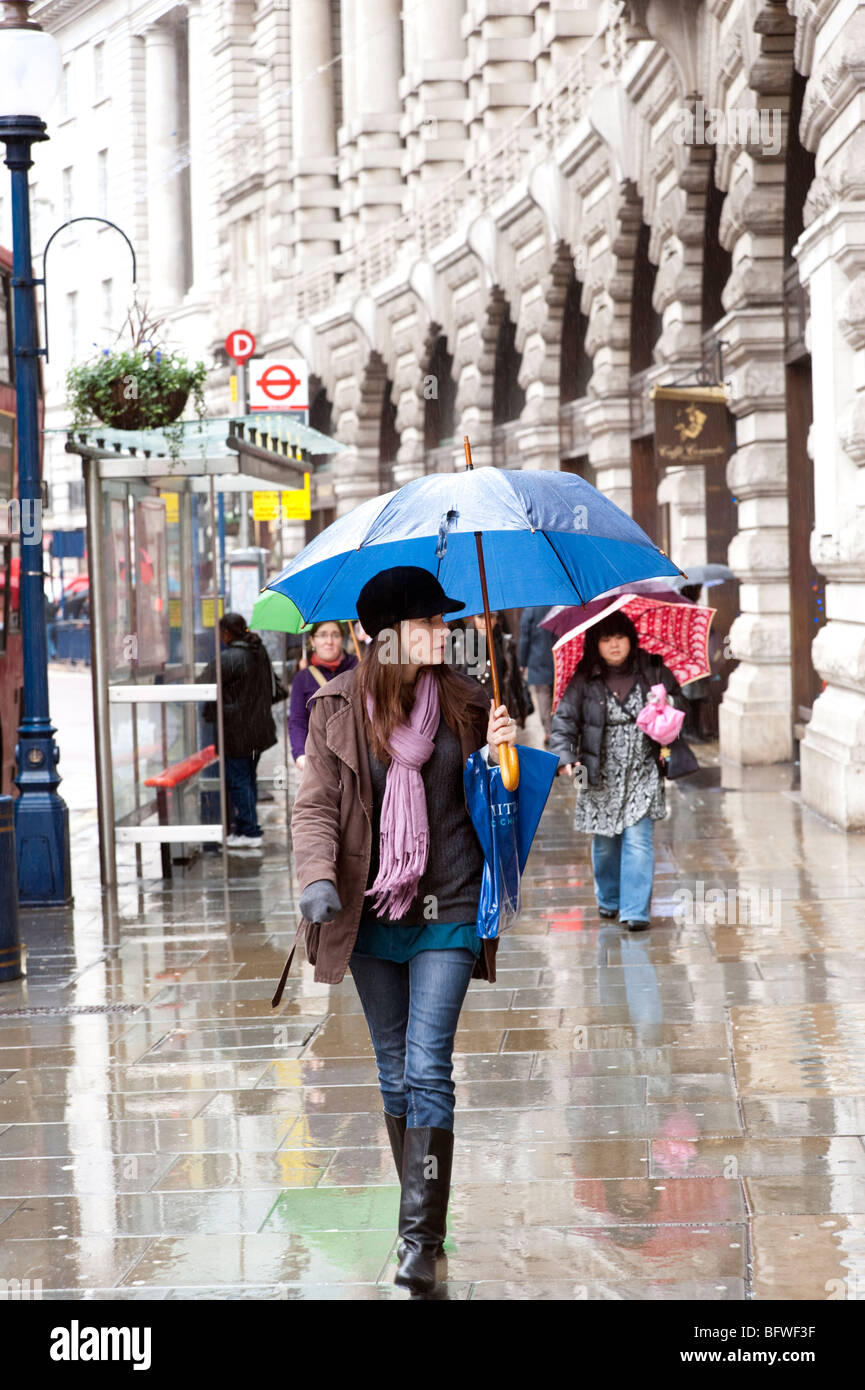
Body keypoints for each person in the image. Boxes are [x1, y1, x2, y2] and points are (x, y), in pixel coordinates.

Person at [288, 565, 517, 1295]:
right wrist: (318, 878)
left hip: (447, 905)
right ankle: (427, 1210)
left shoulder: (469, 701)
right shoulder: (336, 710)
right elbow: (316, 805)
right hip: (370, 909)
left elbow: (506, 802)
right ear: (383, 637)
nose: (441, 633)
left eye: (443, 623)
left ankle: (417, 1237)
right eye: (426, 624)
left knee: (426, 1068)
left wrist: (506, 754)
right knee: (392, 1071)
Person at [548, 612, 682, 931]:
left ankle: (635, 911)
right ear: (597, 644)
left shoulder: (652, 669)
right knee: (606, 842)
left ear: (630, 639)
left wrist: (667, 703)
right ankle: (609, 898)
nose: (614, 645)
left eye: (619, 637)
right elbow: (564, 721)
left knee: (638, 838)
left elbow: (679, 705)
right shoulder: (584, 679)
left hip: (642, 767)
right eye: (606, 639)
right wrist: (565, 757)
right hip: (599, 770)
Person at [200, 612, 279, 848]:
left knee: (239, 780)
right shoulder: (259, 651)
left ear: (226, 633)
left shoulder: (229, 658)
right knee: (248, 778)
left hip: (237, 732)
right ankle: (248, 826)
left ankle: (250, 831)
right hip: (259, 730)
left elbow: (202, 680)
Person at [288, 621, 357, 769]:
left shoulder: (359, 668)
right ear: (312, 640)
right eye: (323, 635)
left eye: (335, 635)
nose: (329, 641)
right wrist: (300, 754)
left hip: (357, 753)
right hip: (321, 757)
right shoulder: (303, 678)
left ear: (342, 638)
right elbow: (297, 720)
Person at [453, 610, 531, 728]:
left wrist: (521, 709)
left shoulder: (506, 643)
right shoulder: (459, 645)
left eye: (491, 616)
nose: (486, 622)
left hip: (502, 710)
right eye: (480, 617)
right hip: (472, 716)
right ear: (473, 618)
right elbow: (454, 686)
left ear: (497, 618)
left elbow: (515, 680)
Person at [518, 605, 555, 745]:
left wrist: (522, 662)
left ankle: (549, 731)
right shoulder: (556, 605)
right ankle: (558, 729)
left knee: (543, 698)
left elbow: (524, 638)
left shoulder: (530, 610)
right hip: (556, 658)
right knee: (557, 696)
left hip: (538, 660)